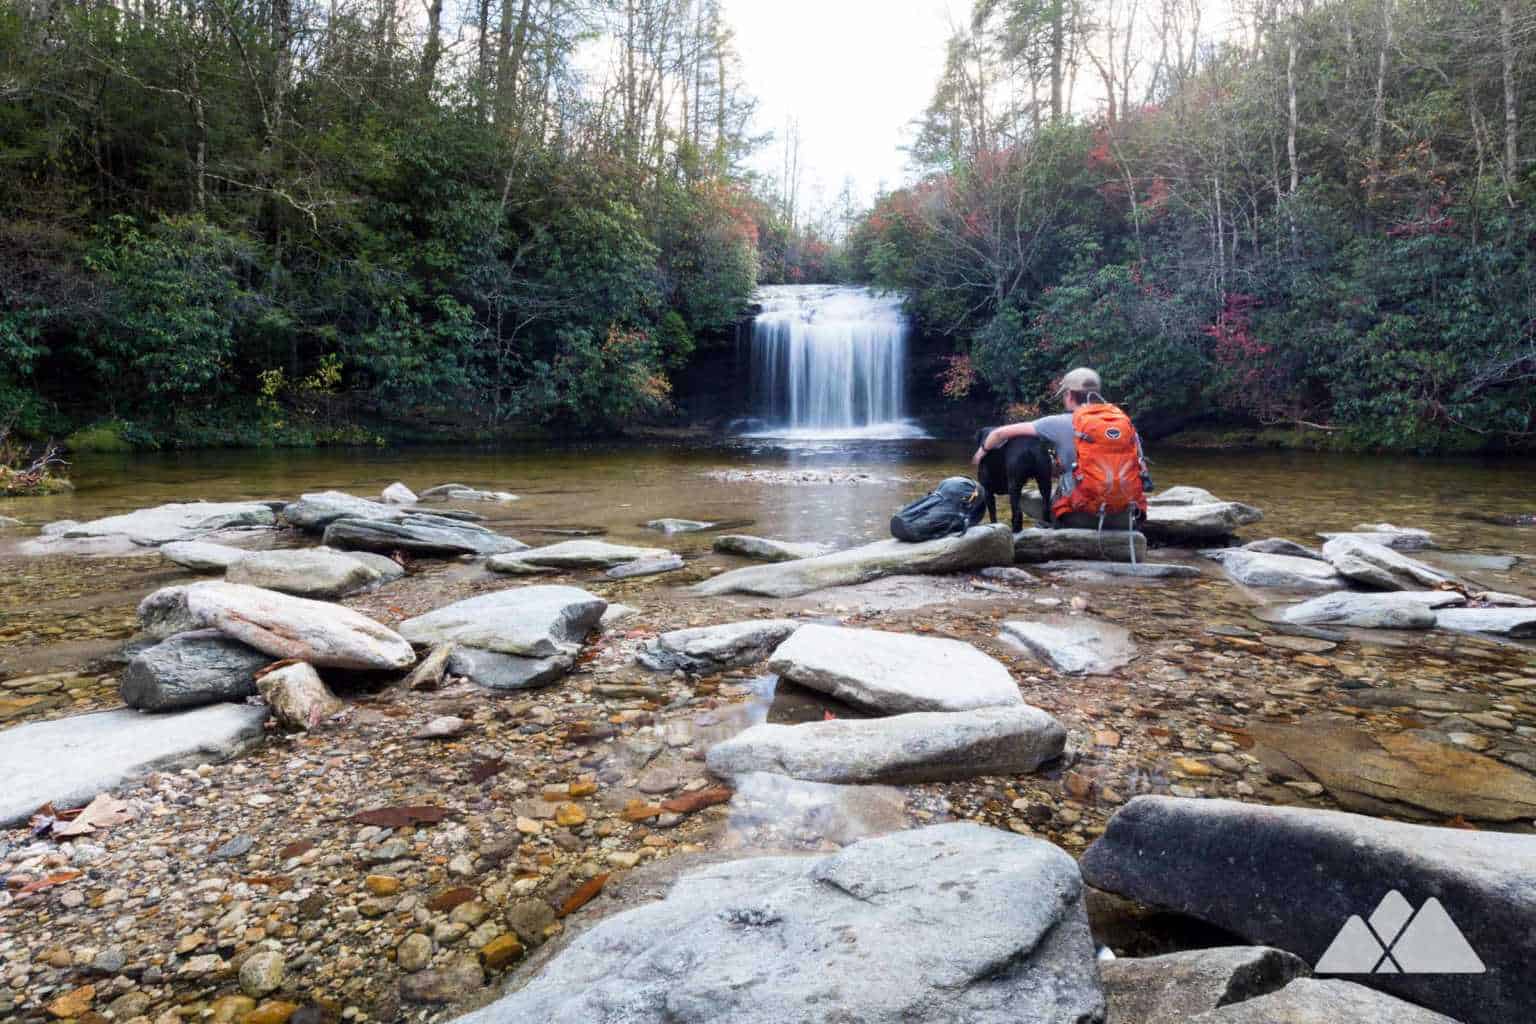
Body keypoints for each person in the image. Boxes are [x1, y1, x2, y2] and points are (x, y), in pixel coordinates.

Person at [971, 367, 1151, 531]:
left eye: (1064, 395)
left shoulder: (1056, 423)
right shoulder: (1122, 421)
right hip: (1125, 516)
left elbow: (1000, 434)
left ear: (1070, 395)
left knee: (1029, 501)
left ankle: (1051, 525)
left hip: (1083, 516)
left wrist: (982, 452)